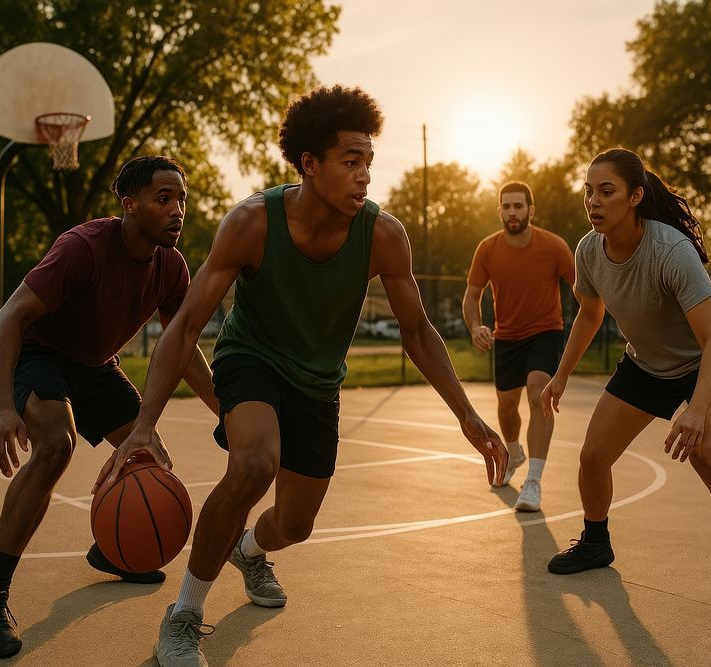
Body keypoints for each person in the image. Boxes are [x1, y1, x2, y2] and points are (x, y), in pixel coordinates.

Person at [98, 85, 508, 667]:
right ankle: (185, 613)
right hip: (252, 359)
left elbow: (417, 332)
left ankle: (251, 551)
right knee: (254, 463)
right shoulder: (251, 223)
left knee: (296, 524)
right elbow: (186, 325)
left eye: (368, 161)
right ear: (309, 164)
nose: (364, 175)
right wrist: (143, 426)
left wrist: (466, 414)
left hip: (318, 382)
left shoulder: (383, 236)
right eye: (350, 161)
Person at [0, 156, 219, 658]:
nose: (177, 210)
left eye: (181, 199)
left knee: (150, 458)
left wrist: (222, 410)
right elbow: (10, 317)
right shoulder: (83, 247)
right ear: (130, 204)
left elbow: (182, 345)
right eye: (164, 198)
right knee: (55, 445)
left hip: (96, 363)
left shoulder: (170, 266)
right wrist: (0, 408)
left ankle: (113, 546)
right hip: (40, 352)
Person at [541, 148, 711, 633]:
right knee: (593, 455)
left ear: (636, 196)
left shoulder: (669, 249)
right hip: (648, 364)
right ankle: (596, 542)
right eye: (588, 191)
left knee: (709, 454)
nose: (593, 201)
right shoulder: (589, 251)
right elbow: (590, 315)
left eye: (607, 191)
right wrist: (561, 374)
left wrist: (697, 410)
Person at [463, 181, 575, 510]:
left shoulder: (554, 247)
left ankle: (534, 482)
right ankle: (514, 452)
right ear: (499, 211)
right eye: (507, 207)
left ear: (531, 210)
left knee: (539, 391)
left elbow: (582, 288)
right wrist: (474, 326)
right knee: (506, 405)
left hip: (545, 331)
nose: (513, 212)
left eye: (519, 206)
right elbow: (472, 295)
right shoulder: (487, 248)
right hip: (507, 336)